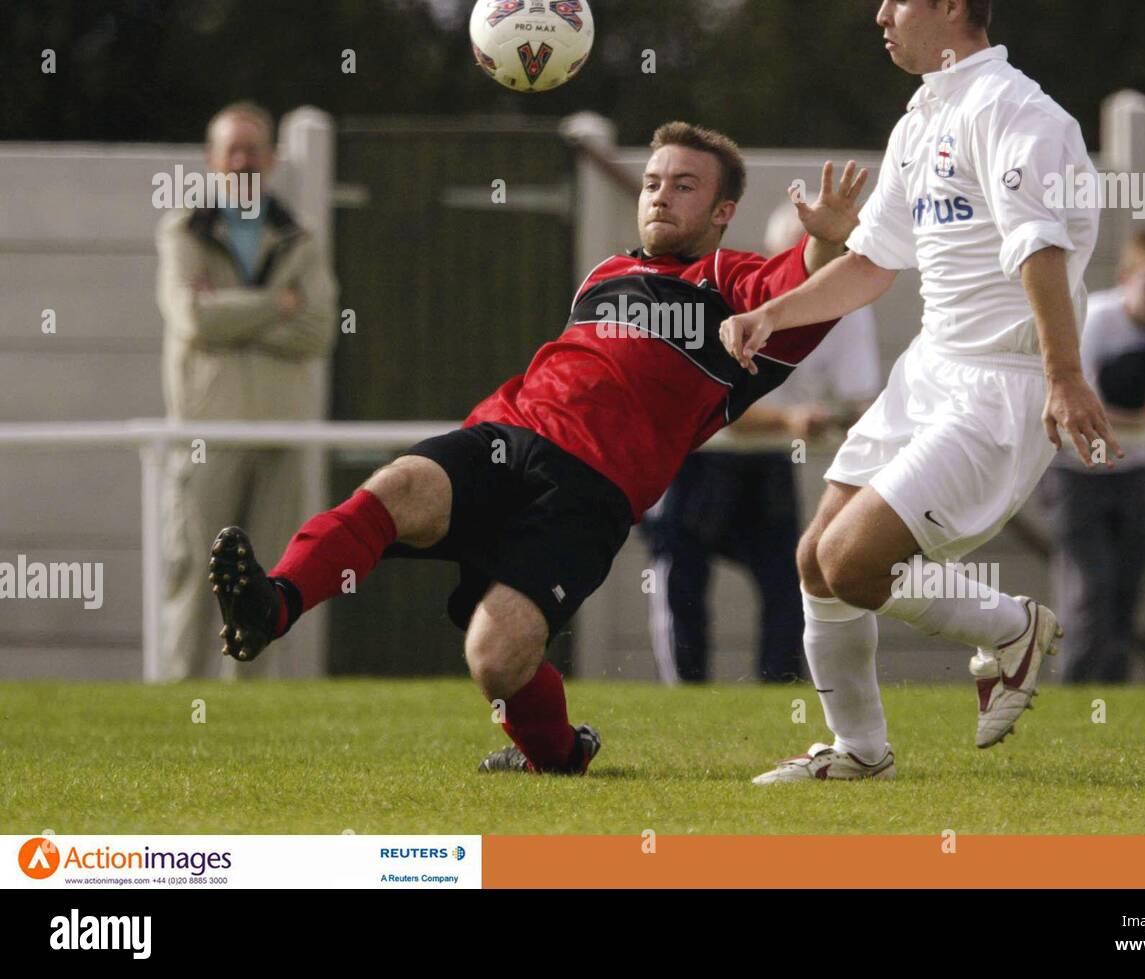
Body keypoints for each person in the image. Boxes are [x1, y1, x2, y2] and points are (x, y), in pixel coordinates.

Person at [207, 121, 867, 773]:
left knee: (494, 659)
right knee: (398, 486)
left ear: (724, 211)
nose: (661, 196)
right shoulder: (606, 271)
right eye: (652, 182)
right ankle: (275, 602)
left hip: (590, 491)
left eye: (685, 186)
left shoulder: (731, 283)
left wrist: (826, 244)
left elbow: (799, 284)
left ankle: (560, 754)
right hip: (507, 433)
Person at [720, 0, 1114, 783]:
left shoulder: (1016, 110)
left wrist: (1064, 374)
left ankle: (1009, 627)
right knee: (813, 559)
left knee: (855, 562)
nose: (880, 14)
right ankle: (860, 752)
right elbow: (870, 263)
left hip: (1000, 385)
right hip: (929, 372)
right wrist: (770, 313)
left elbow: (1039, 249)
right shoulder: (923, 116)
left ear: (952, 6)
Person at [642, 203, 881, 684]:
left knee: (788, 583)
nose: (816, 258)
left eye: (828, 246)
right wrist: (790, 419)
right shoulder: (729, 297)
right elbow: (715, 409)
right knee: (681, 580)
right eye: (807, 247)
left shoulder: (848, 310)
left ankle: (778, 693)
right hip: (699, 461)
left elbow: (862, 402)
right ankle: (686, 695)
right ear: (777, 255)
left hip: (770, 462)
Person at [155, 102, 337, 680]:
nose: (242, 161)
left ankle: (253, 709)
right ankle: (179, 697)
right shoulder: (182, 230)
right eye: (231, 149)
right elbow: (193, 321)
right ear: (211, 160)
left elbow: (317, 330)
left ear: (273, 160)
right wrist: (274, 305)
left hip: (281, 430)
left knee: (270, 579)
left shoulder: (300, 237)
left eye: (253, 149)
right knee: (192, 570)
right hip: (207, 432)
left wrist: (230, 315)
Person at [1047, 228, 1145, 683]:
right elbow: (1075, 406)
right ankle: (1075, 696)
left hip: (1133, 469)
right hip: (1076, 472)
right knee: (1090, 591)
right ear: (1125, 277)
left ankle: (1112, 704)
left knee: (1126, 592)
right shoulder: (1095, 317)